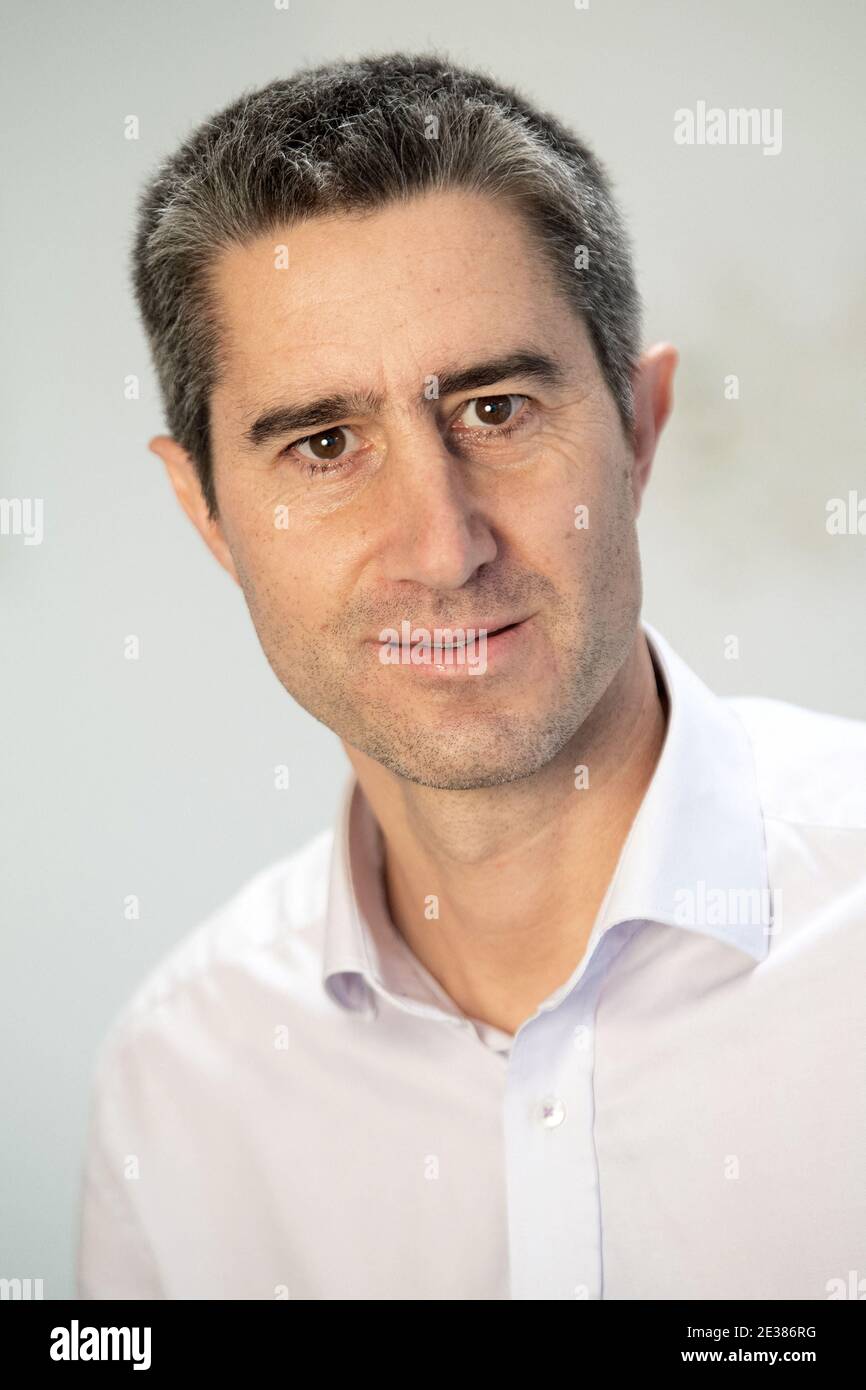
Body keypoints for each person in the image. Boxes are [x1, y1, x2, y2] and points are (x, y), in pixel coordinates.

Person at [77, 51, 866, 1300]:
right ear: (207, 513)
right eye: (324, 444)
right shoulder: (177, 1088)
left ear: (640, 425)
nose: (444, 549)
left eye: (496, 410)